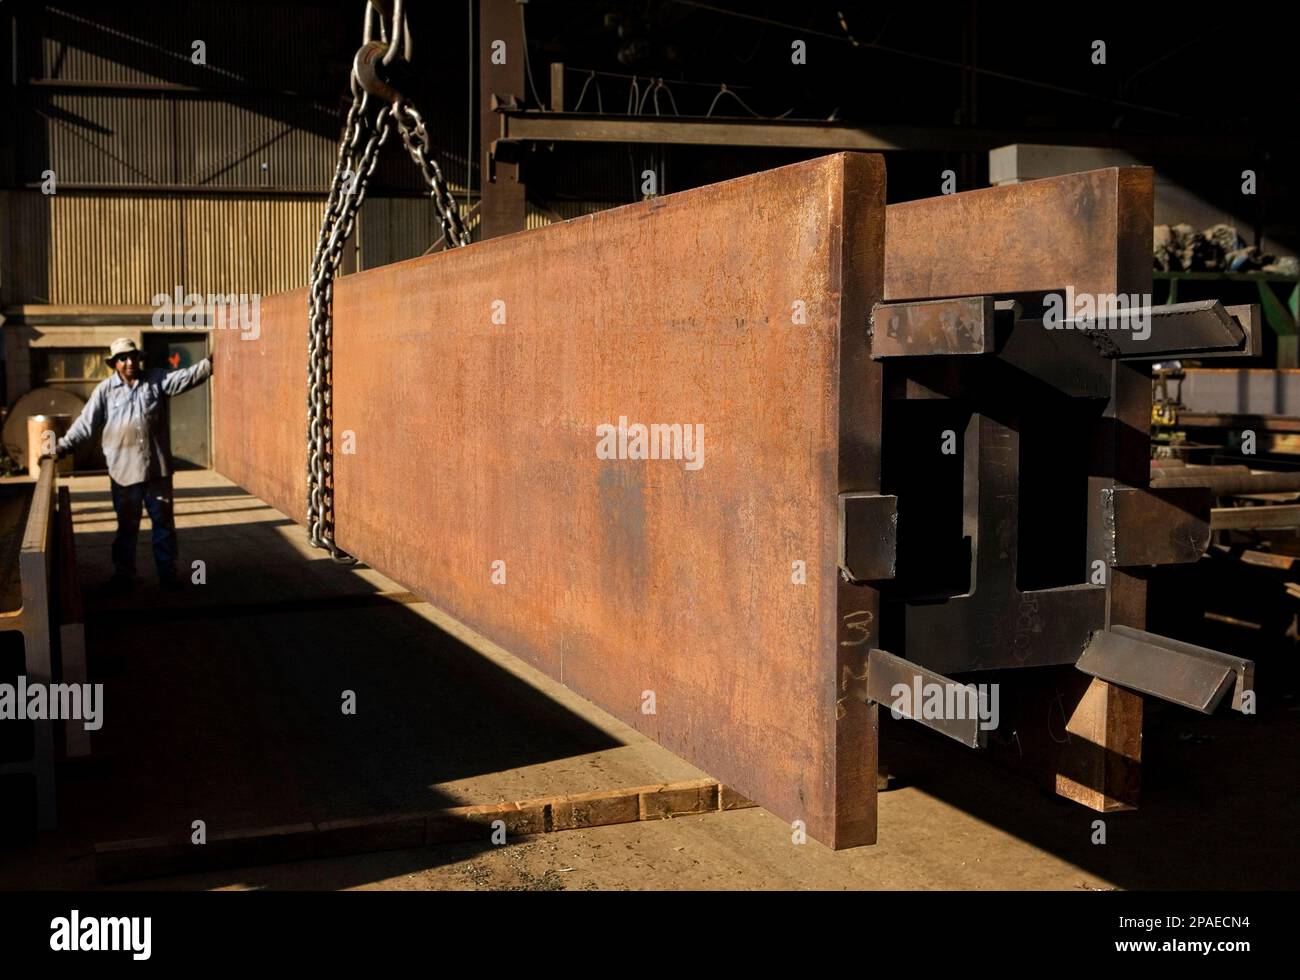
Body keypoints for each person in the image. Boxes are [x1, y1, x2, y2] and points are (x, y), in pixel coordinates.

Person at [46, 338, 214, 593]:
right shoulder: (105, 390)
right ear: (114, 364)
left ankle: (168, 576)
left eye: (133, 357)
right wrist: (61, 446)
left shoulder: (155, 380)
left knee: (164, 526)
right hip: (123, 473)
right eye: (123, 359)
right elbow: (85, 424)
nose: (130, 363)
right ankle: (124, 576)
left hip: (156, 470)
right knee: (126, 528)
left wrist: (210, 363)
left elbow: (185, 378)